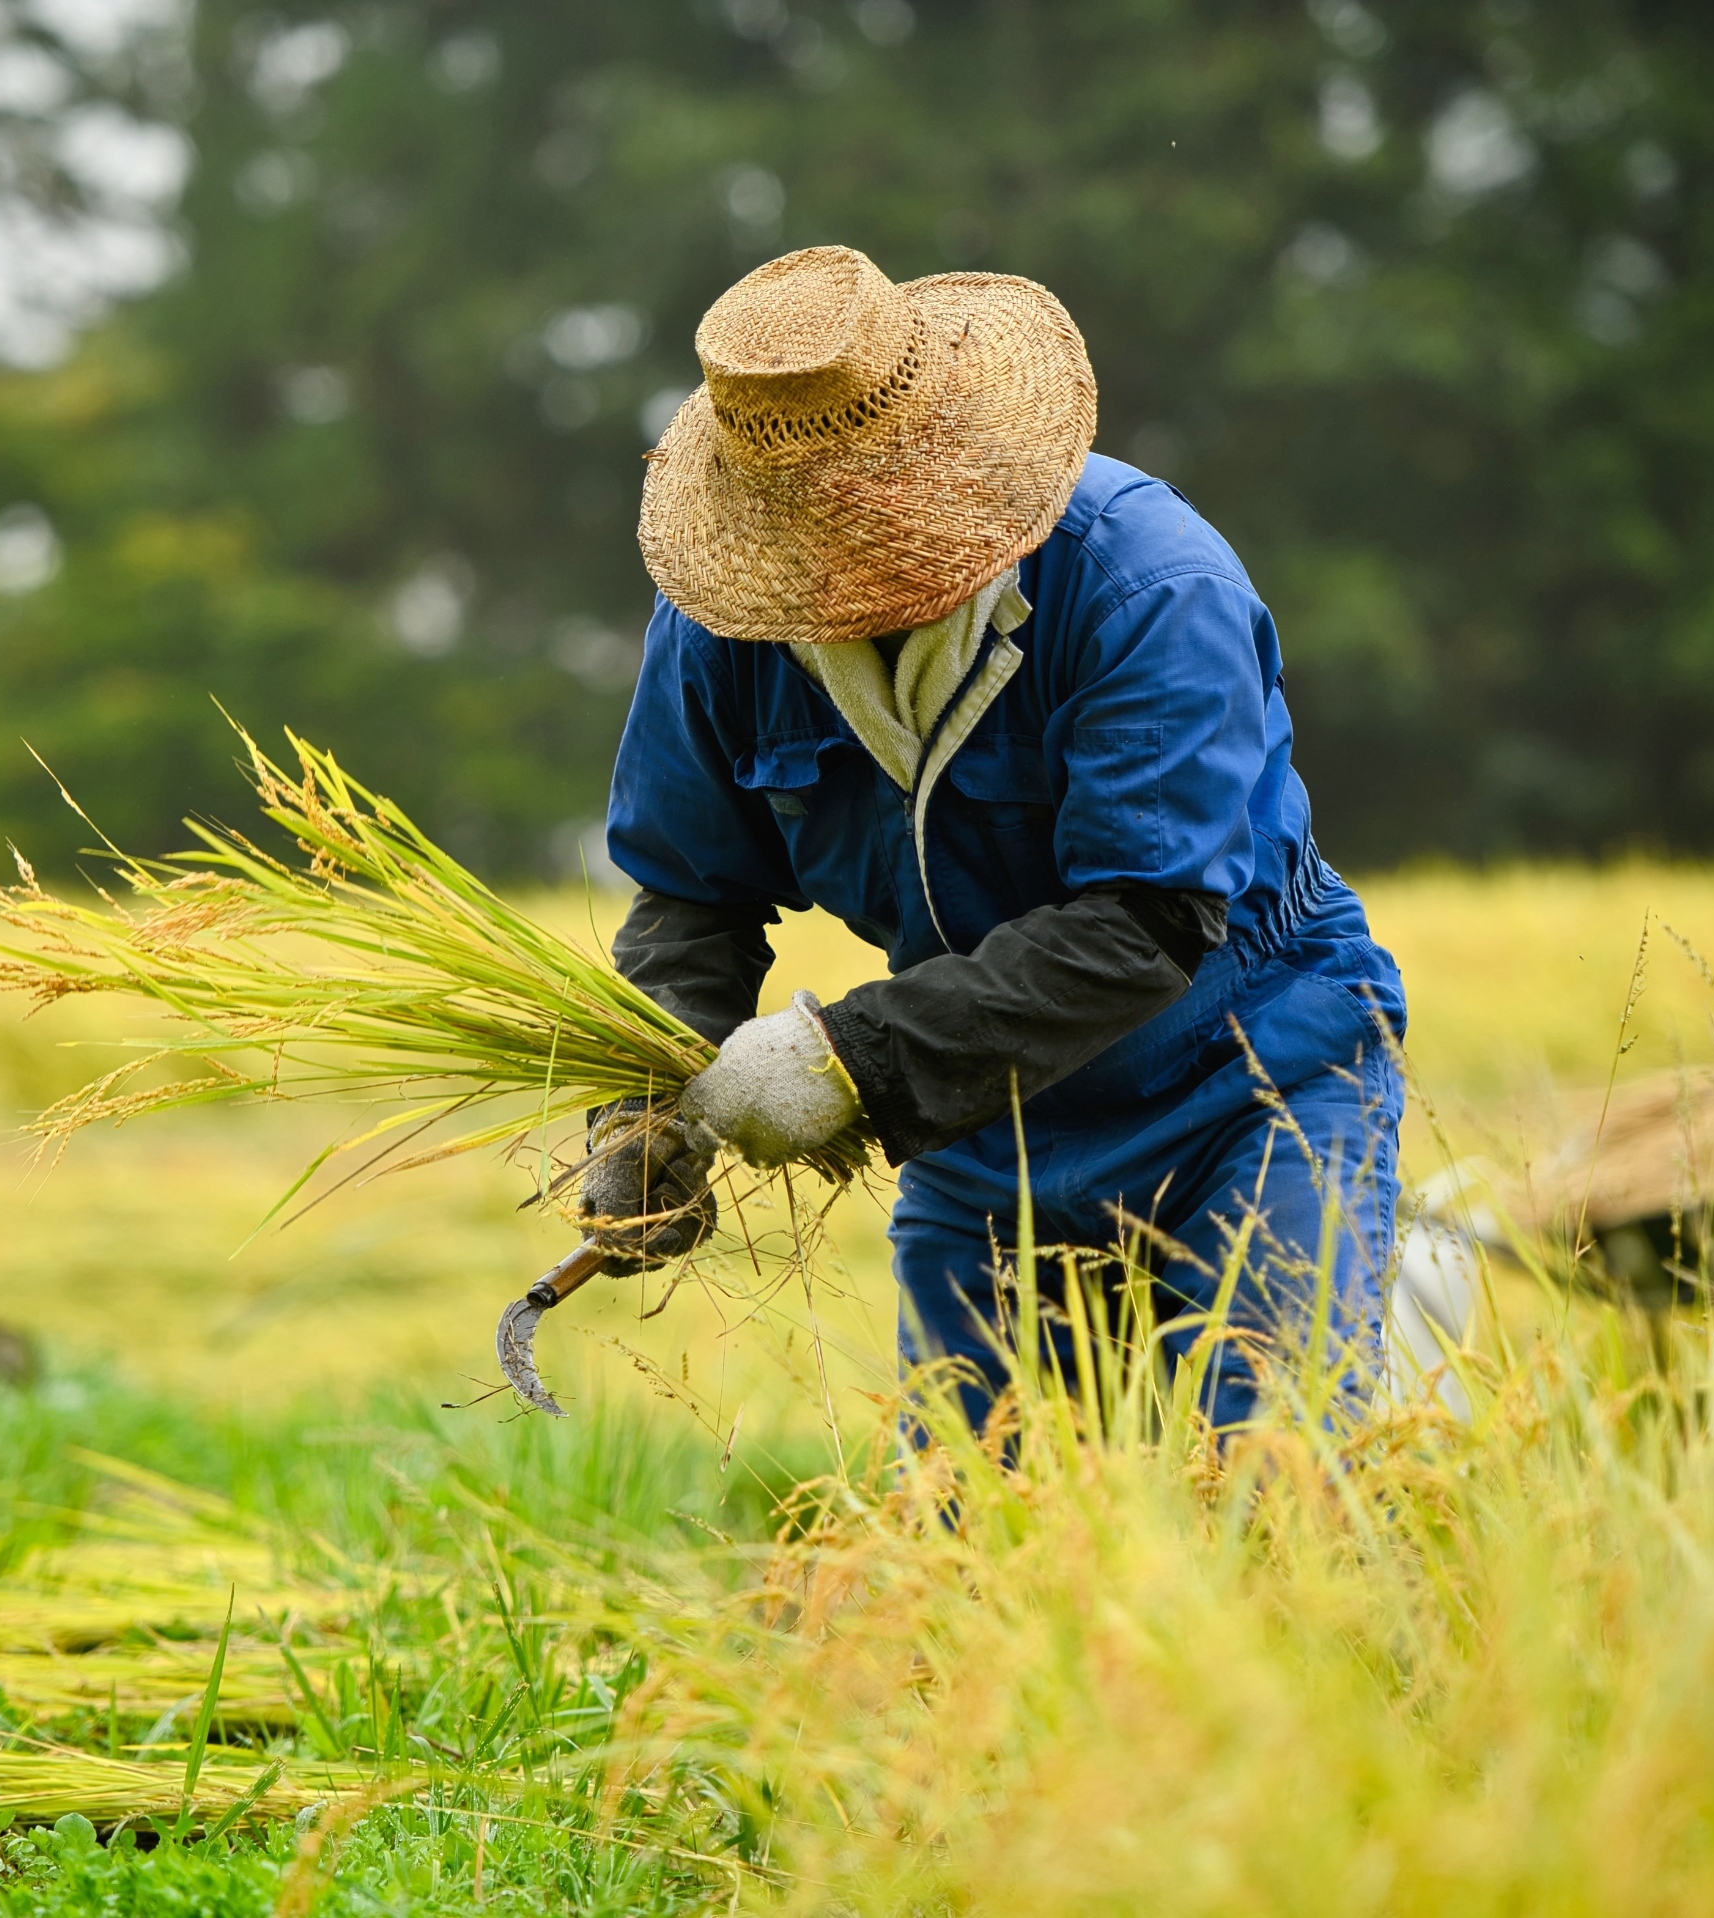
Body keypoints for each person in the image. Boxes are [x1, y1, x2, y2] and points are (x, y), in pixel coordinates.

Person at [577, 244, 1404, 1431]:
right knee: (984, 1529)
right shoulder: (724, 629)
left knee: (1272, 1477)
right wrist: (641, 1107)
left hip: (1246, 1078)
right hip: (983, 1123)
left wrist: (845, 1062)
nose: (841, 558)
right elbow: (691, 900)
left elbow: (1145, 923)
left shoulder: (1145, 588)